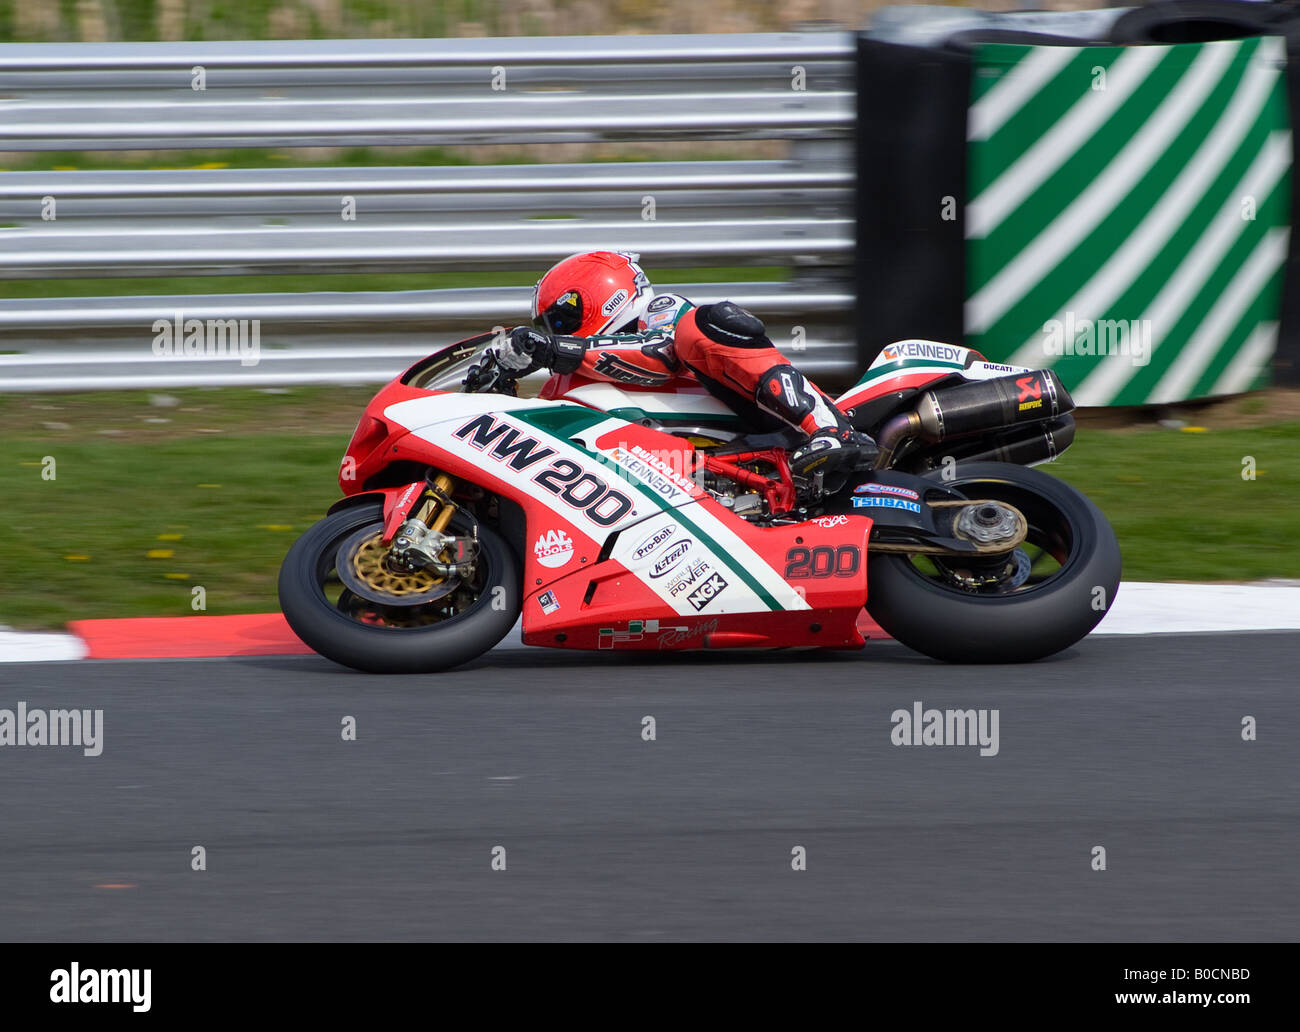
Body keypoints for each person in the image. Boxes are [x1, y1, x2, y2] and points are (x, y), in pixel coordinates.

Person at [490, 250, 878, 478]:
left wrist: (555, 348)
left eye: (559, 321)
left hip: (756, 417)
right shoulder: (572, 379)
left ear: (601, 297)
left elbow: (660, 355)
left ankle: (828, 428)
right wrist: (496, 380)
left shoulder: (659, 312)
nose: (556, 334)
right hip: (685, 470)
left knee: (700, 326)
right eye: (550, 329)